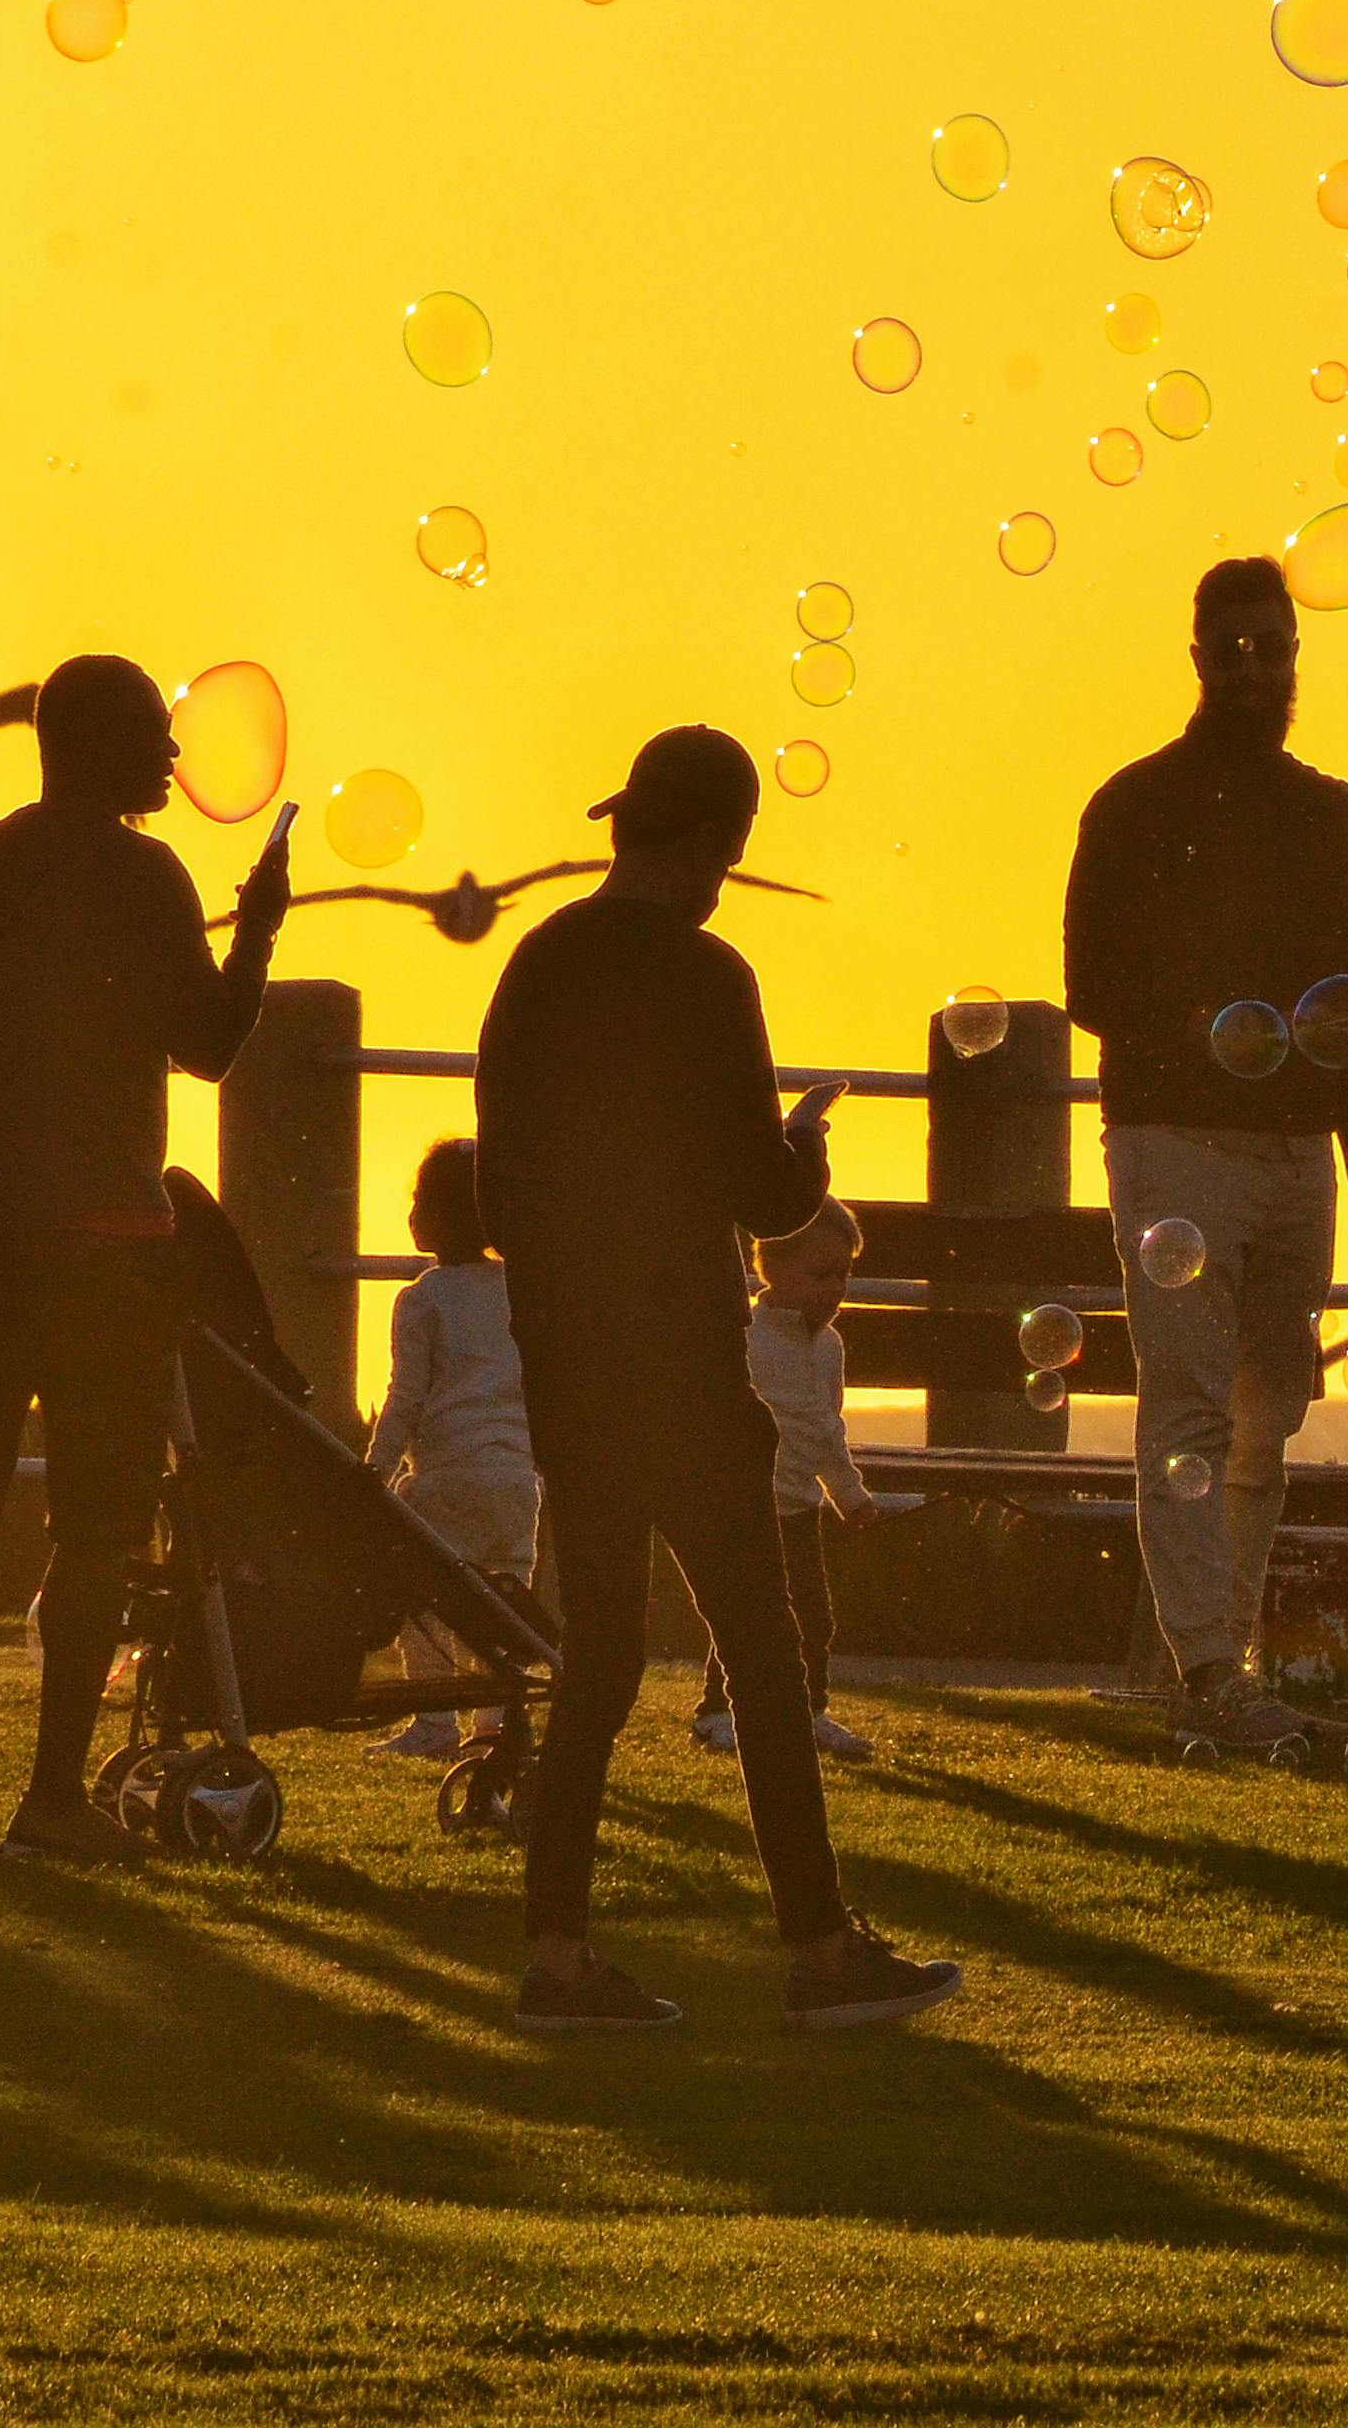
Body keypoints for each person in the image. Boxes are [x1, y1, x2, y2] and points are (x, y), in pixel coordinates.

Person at [480, 726, 955, 2034]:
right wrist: (800, 1152)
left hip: (569, 1362)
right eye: (725, 855)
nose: (722, 878)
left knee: (600, 1663)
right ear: (703, 847)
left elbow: (502, 1186)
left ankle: (561, 1961)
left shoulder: (536, 966)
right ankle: (818, 1946)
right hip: (684, 1362)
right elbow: (759, 1193)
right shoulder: (707, 976)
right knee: (761, 1645)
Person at [0, 654, 288, 1864]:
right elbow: (208, 1049)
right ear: (95, 745)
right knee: (96, 1524)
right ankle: (47, 1802)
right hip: (111, 1246)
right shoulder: (146, 876)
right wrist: (260, 934)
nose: (173, 761)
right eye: (155, 737)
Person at [1065, 557, 1348, 1751]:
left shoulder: (1328, 812)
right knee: (1190, 1408)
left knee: (1271, 1410)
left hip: (1295, 1147)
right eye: (1238, 650)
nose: (1260, 671)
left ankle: (1225, 1654)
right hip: (1171, 1141)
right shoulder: (1133, 805)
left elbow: (1344, 1005)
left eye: (1277, 649)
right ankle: (1207, 1664)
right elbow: (1088, 985)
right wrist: (1217, 1028)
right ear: (1199, 656)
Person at [366, 1137, 536, 1766]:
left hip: (444, 1474)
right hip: (516, 1479)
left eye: (420, 1202)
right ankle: (493, 1724)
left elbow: (405, 1397)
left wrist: (375, 1470)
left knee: (425, 1596)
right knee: (503, 1604)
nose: (411, 1215)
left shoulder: (422, 1298)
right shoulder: (518, 1290)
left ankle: (434, 1717)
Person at [694, 1201, 879, 1763]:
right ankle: (717, 1711)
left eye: (843, 1274)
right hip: (745, 1504)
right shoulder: (744, 1336)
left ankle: (809, 1709)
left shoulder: (828, 1348)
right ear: (772, 1269)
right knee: (744, 1614)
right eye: (820, 1274)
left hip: (798, 1506)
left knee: (812, 1614)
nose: (834, 1289)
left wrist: (849, 1493)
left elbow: (827, 1430)